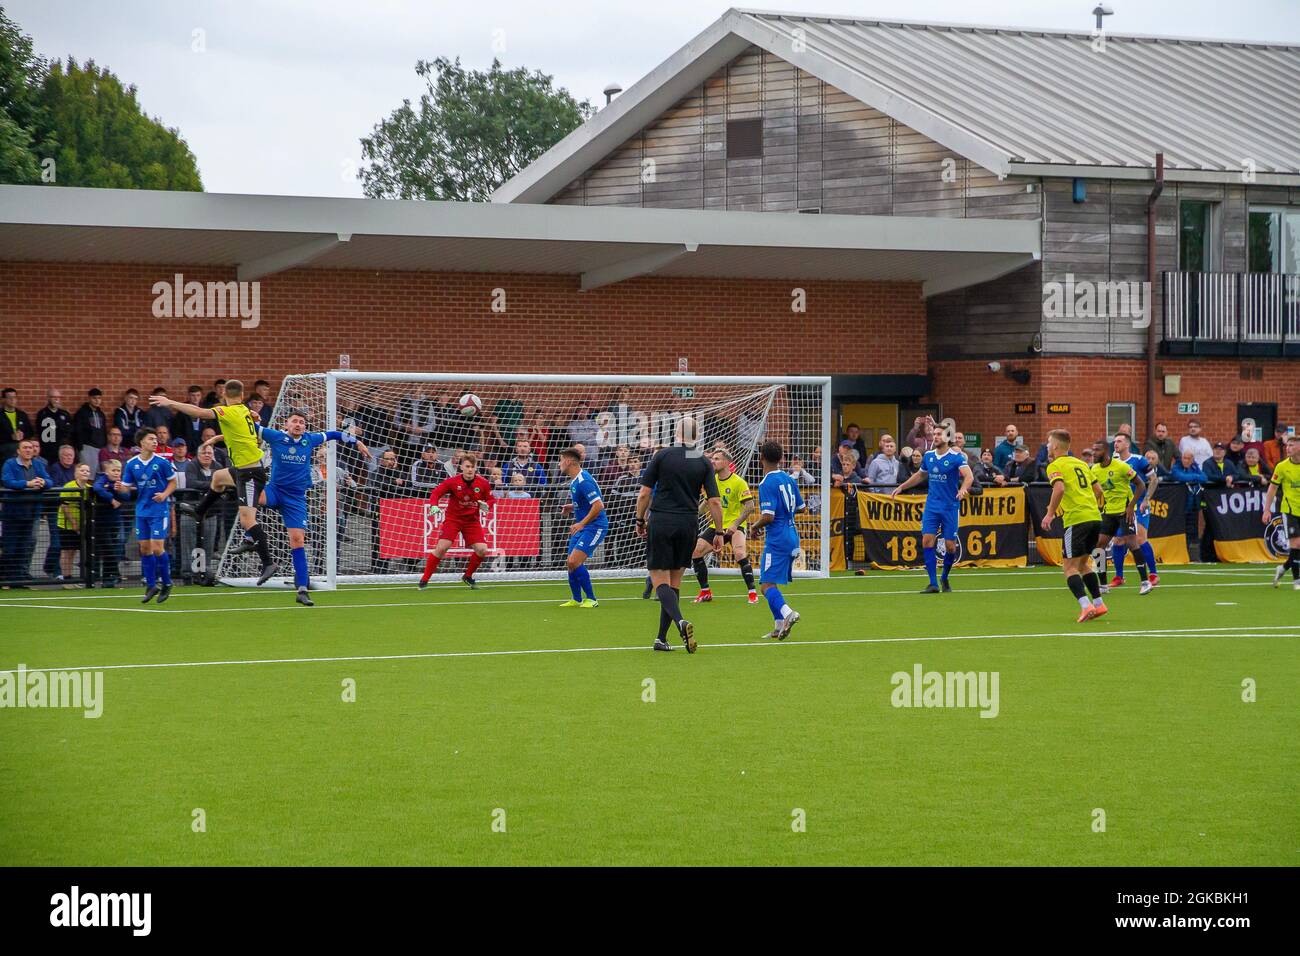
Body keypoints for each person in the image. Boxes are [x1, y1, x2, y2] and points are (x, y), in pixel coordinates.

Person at [154, 379, 277, 585]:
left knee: (247, 521)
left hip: (250, 473)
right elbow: (242, 434)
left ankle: (268, 562)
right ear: (242, 393)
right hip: (243, 469)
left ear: (224, 397)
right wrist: (217, 439)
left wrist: (170, 403)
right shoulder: (246, 412)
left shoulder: (227, 411)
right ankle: (200, 510)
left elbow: (199, 412)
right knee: (218, 477)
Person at [257, 408, 371, 605]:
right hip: (275, 490)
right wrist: (248, 417)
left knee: (297, 540)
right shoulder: (274, 436)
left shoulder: (309, 439)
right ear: (286, 424)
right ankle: (250, 536)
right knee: (252, 495)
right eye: (294, 421)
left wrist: (356, 441)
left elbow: (334, 434)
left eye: (302, 422)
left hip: (296, 498)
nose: (298, 424)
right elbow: (250, 428)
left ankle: (302, 588)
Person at [636, 415, 721, 654]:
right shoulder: (704, 462)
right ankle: (661, 639)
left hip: (662, 520)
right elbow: (714, 500)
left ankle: (681, 621)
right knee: (674, 582)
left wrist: (639, 519)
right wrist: (719, 531)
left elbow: (644, 494)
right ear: (697, 436)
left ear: (676, 433)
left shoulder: (662, 455)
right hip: (688, 524)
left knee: (659, 580)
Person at [889, 419, 973, 593]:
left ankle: (944, 577)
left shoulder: (955, 457)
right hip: (932, 506)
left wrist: (963, 489)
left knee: (950, 546)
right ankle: (933, 583)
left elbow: (969, 476)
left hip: (950, 506)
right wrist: (902, 487)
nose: (935, 436)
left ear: (947, 437)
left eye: (938, 434)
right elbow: (920, 475)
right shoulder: (928, 456)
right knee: (927, 540)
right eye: (934, 434)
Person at [1040, 429, 1107, 622]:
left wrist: (1050, 513)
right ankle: (1099, 604)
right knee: (1083, 564)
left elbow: (1059, 488)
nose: (1046, 446)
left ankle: (1086, 607)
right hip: (1094, 517)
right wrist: (1085, 503)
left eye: (1048, 443)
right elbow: (1099, 490)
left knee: (1069, 567)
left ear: (1055, 446)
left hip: (1076, 520)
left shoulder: (1055, 465)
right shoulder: (1082, 464)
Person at [116, 427, 177, 604]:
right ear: (142, 442)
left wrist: (164, 495)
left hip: (159, 510)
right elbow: (127, 488)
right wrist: (122, 488)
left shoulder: (162, 462)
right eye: (151, 439)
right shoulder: (132, 464)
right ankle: (151, 585)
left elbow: (173, 482)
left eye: (155, 438)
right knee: (144, 548)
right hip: (141, 510)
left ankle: (166, 582)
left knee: (158, 547)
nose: (155, 441)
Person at [689, 448, 757, 605]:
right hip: (717, 526)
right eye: (712, 458)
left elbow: (749, 506)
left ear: (727, 462)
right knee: (696, 552)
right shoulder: (710, 482)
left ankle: (752, 593)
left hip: (735, 526)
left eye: (717, 459)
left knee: (739, 553)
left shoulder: (739, 482)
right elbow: (706, 504)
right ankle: (705, 592)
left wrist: (735, 524)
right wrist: (692, 515)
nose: (713, 461)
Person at [418, 452, 494, 589]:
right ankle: (424, 579)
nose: (470, 469)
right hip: (454, 519)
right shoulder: (453, 481)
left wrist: (487, 505)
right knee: (442, 548)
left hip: (472, 521)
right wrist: (434, 505)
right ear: (461, 468)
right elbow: (436, 493)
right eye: (467, 466)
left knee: (482, 550)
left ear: (476, 468)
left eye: (472, 466)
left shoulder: (483, 483)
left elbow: (491, 498)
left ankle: (468, 576)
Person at [1089, 440, 1147, 594]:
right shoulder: (1094, 469)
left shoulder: (1121, 466)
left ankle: (1145, 581)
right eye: (1093, 450)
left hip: (1124, 511)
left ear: (1106, 452)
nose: (1093, 453)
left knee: (1132, 544)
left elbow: (1141, 485)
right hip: (1109, 512)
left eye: (1097, 450)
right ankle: (1102, 585)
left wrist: (1130, 506)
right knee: (1099, 546)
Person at [556, 446, 607, 608]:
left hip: (595, 526)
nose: (559, 464)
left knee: (574, 561)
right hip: (584, 526)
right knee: (570, 562)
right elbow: (587, 503)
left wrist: (581, 523)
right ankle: (576, 599)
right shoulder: (575, 480)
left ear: (569, 461)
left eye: (561, 460)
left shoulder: (583, 481)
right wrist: (572, 506)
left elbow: (599, 505)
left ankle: (592, 599)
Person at [1111, 433, 1160, 592]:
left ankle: (1153, 574)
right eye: (1115, 441)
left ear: (1127, 444)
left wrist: (1146, 500)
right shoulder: (1113, 461)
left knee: (1140, 538)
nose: (1116, 443)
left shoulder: (1139, 460)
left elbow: (1153, 479)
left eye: (1119, 441)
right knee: (1118, 540)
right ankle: (1119, 576)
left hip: (1139, 505)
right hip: (1121, 507)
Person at [1, 438, 50, 585]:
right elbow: (7, 481)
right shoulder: (10, 464)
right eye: (25, 448)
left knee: (25, 546)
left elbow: (49, 480)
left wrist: (43, 483)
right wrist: (27, 484)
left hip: (32, 512)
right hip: (13, 512)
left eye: (30, 448)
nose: (29, 450)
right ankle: (6, 578)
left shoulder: (38, 465)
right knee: (10, 547)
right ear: (18, 451)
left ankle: (19, 578)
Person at [1264, 435, 1300, 590]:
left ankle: (1283, 568)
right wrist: (1266, 509)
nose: (1288, 448)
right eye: (1287, 445)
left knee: (1298, 548)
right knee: (1297, 544)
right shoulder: (1282, 466)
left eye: (1292, 445)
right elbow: (1273, 488)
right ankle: (1297, 581)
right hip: (1289, 510)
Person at [92, 459, 129, 587]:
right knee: (108, 549)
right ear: (106, 471)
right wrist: (111, 498)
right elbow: (97, 488)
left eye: (118, 470)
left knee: (113, 548)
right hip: (101, 522)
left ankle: (108, 579)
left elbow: (126, 496)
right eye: (113, 470)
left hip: (115, 521)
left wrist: (120, 491)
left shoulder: (120, 482)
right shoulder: (102, 479)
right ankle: (116, 573)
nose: (116, 473)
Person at [56, 462, 92, 587]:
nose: (85, 473)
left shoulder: (88, 488)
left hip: (81, 525)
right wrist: (74, 522)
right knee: (67, 551)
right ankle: (66, 578)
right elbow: (64, 506)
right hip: (66, 525)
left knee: (73, 551)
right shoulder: (69, 486)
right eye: (82, 470)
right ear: (76, 473)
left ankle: (70, 577)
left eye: (87, 471)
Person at [72, 388, 108, 471]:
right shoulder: (82, 413)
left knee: (99, 474)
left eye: (99, 398)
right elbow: (77, 430)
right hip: (87, 447)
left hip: (100, 447)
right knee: (88, 474)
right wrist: (80, 448)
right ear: (89, 398)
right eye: (94, 398)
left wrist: (104, 445)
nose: (97, 401)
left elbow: (104, 430)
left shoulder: (101, 414)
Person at [0, 387, 33, 462]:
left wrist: (23, 435)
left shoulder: (22, 415)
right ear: (3, 399)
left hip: (21, 447)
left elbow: (30, 432)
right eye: (9, 398)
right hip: (5, 447)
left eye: (14, 397)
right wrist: (11, 436)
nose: (12, 400)